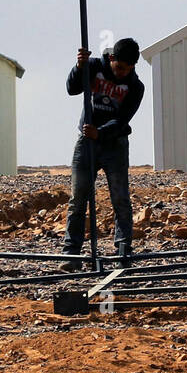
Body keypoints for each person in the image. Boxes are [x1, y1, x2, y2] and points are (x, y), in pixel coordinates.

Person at [62, 37, 145, 265]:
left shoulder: (136, 87)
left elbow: (122, 120)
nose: (121, 73)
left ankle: (123, 251)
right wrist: (79, 67)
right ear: (111, 59)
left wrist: (100, 132)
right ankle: (71, 252)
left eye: (127, 69)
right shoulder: (94, 67)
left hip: (115, 146)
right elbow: (72, 88)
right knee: (78, 196)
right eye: (119, 67)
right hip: (86, 143)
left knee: (120, 199)